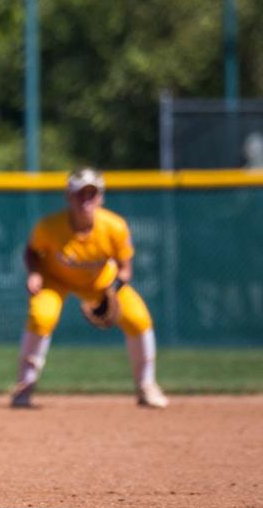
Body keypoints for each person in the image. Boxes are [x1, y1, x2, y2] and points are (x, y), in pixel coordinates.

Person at [10, 168, 169, 409]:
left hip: (102, 283)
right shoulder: (50, 227)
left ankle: (147, 386)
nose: (86, 200)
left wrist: (111, 292)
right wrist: (34, 273)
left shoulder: (114, 226)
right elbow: (32, 251)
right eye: (79, 194)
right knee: (41, 317)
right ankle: (25, 386)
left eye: (92, 194)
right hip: (55, 279)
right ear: (68, 196)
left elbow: (125, 269)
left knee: (139, 319)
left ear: (101, 197)